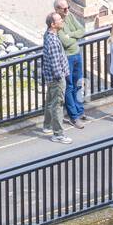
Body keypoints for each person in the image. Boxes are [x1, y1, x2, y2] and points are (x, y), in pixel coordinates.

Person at [54, 0, 87, 129]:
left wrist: (71, 35)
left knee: (79, 84)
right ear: (57, 9)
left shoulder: (70, 16)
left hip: (77, 54)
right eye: (64, 8)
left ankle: (79, 111)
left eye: (68, 7)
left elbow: (82, 31)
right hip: (67, 57)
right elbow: (65, 42)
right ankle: (73, 116)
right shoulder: (56, 22)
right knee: (69, 86)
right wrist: (74, 36)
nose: (67, 10)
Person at [41, 13, 72, 144]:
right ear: (53, 24)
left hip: (49, 77)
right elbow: (55, 63)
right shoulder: (53, 41)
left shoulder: (48, 35)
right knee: (57, 104)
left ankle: (47, 126)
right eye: (59, 20)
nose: (62, 21)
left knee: (50, 100)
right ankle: (58, 134)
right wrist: (60, 77)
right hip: (56, 78)